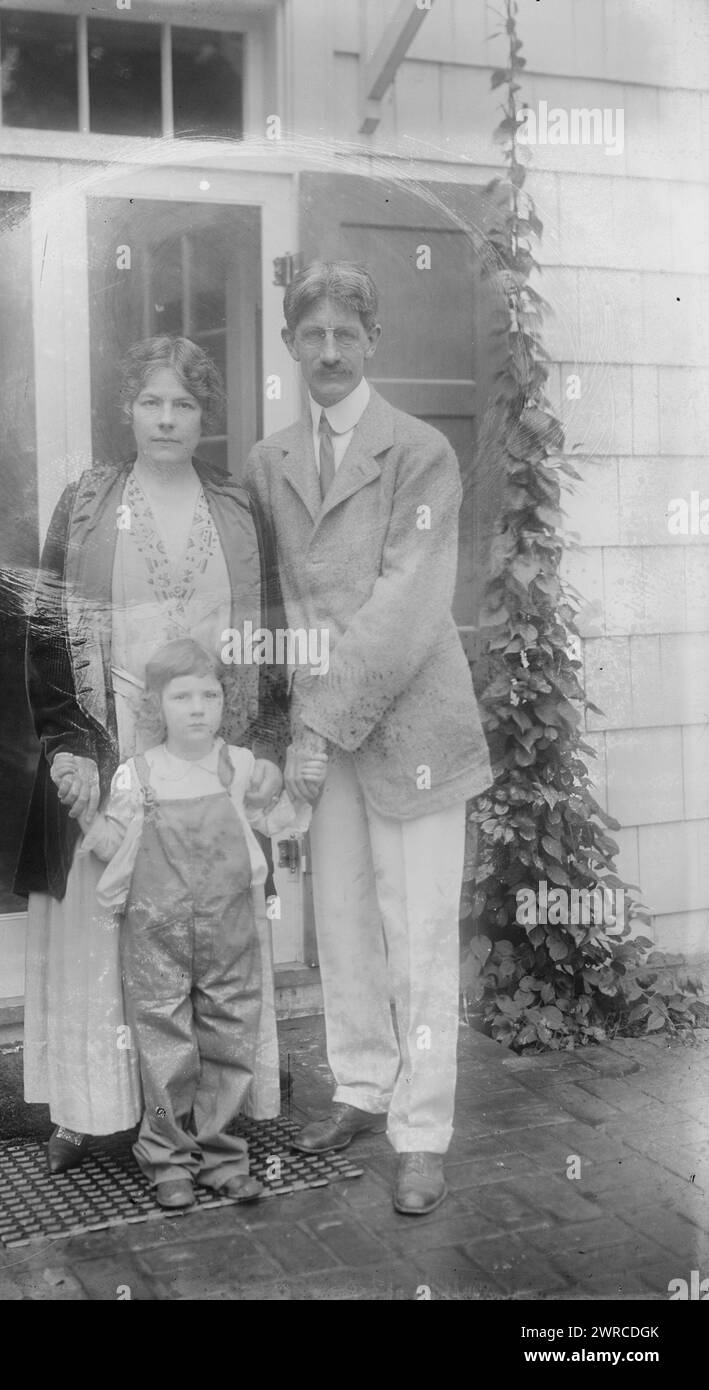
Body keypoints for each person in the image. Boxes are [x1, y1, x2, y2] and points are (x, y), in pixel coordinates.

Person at [243, 261, 492, 1216]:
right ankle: (360, 1085)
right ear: (291, 345)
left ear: (372, 341)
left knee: (420, 938)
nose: (332, 352)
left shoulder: (420, 452)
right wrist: (288, 734)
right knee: (341, 923)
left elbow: (405, 611)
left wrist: (316, 723)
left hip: (413, 730)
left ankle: (421, 1132)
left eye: (348, 334)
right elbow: (275, 604)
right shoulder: (271, 463)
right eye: (314, 336)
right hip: (321, 742)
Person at [14, 336, 285, 1174]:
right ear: (126, 410)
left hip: (207, 742)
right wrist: (68, 743)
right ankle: (91, 1107)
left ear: (205, 417)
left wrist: (265, 740)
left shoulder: (237, 509)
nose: (166, 419)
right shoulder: (89, 503)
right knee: (106, 919)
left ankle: (211, 1111)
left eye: (184, 405)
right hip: (110, 736)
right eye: (150, 403)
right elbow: (47, 627)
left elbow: (266, 636)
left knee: (205, 929)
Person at [77, 638, 322, 1209]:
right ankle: (167, 1158)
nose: (197, 708)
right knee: (165, 1044)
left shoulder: (240, 766)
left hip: (229, 925)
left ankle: (221, 1154)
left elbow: (278, 819)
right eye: (181, 695)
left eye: (209, 694)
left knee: (230, 1034)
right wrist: (86, 815)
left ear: (224, 703)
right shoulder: (137, 774)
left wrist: (303, 788)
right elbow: (112, 845)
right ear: (155, 706)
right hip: (156, 930)